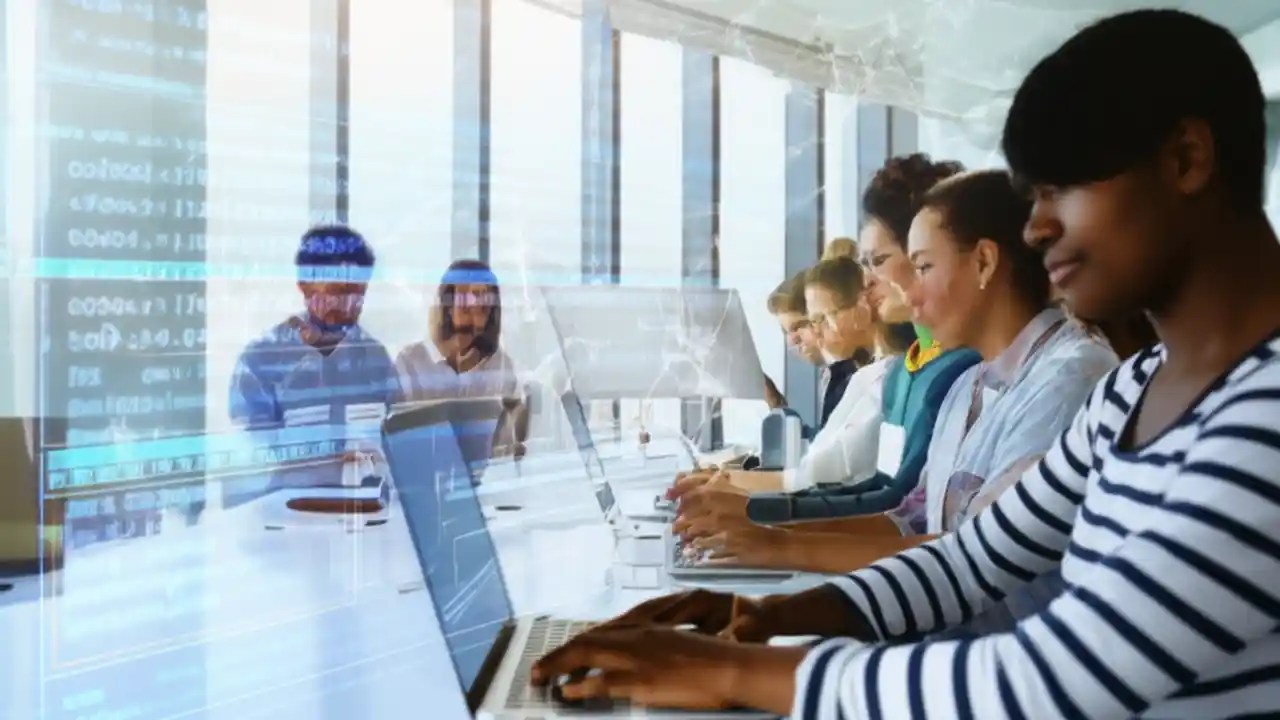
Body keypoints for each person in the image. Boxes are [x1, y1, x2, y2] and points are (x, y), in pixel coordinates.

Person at [532, 10, 1280, 717]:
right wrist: (766, 615)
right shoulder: (1130, 391)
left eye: (1062, 188)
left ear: (1186, 160)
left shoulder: (1266, 410)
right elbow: (970, 560)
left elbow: (1051, 683)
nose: (1038, 225)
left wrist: (728, 670)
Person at [673, 155, 980, 527]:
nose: (866, 280)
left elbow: (899, 509)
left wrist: (759, 515)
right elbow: (882, 491)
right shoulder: (903, 371)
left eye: (878, 260)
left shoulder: (959, 372)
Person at [228, 226, 398, 497]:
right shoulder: (260, 361)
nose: (348, 304)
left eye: (358, 292)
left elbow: (395, 445)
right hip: (286, 517)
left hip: (365, 514)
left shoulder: (375, 357)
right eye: (336, 291)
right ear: (304, 287)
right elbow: (251, 466)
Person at [722, 255, 904, 495]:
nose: (816, 331)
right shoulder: (866, 376)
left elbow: (831, 469)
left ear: (862, 308)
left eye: (818, 319)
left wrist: (731, 481)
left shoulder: (883, 376)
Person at [395, 259, 528, 457]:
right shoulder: (410, 363)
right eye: (466, 297)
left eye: (483, 297)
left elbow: (508, 444)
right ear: (447, 304)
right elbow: (399, 440)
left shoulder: (500, 365)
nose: (475, 305)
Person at [761, 271, 823, 414]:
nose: (792, 340)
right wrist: (775, 402)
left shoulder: (852, 375)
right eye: (786, 332)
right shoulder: (827, 374)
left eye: (799, 326)